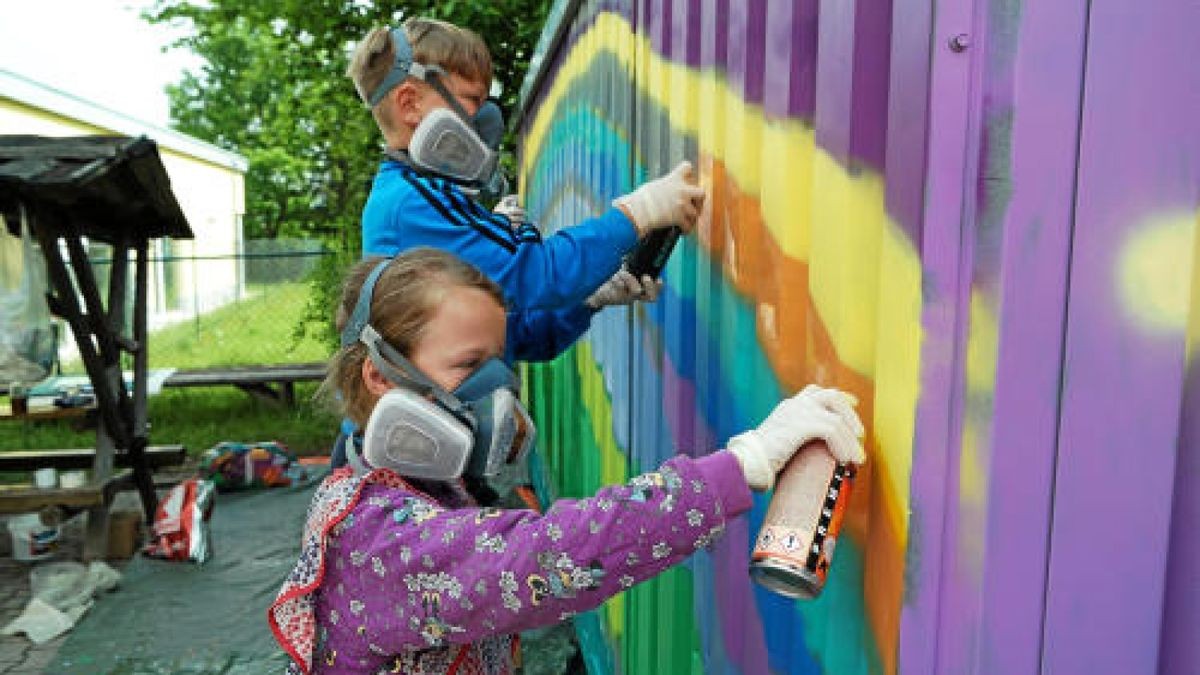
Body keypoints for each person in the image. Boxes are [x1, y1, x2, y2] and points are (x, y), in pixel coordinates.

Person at [268, 250, 867, 674]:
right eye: (468, 366)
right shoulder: (372, 535)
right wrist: (743, 464)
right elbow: (546, 556)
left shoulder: (430, 488)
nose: (495, 392)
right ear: (379, 375)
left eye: (497, 364)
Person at [344, 18, 706, 362]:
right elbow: (535, 277)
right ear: (409, 104)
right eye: (472, 99)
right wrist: (639, 212)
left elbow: (513, 336)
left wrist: (589, 299)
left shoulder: (423, 195)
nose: (485, 120)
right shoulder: (411, 204)